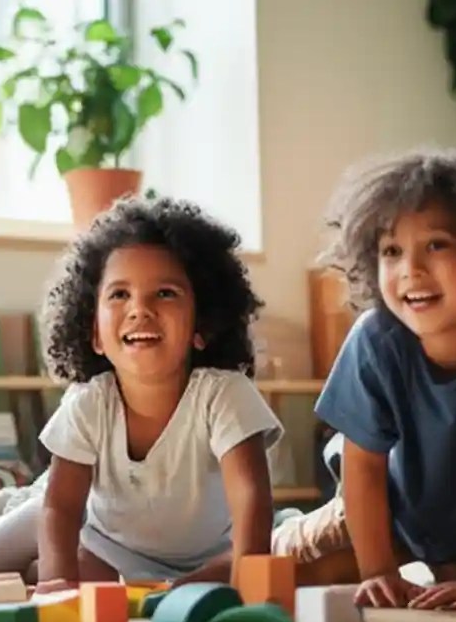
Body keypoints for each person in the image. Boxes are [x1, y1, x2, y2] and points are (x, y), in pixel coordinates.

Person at [272, 147, 456, 610]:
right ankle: (286, 531)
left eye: (436, 245)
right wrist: (377, 571)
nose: (410, 270)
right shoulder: (376, 341)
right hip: (382, 509)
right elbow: (363, 468)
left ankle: (452, 565)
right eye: (391, 252)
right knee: (292, 570)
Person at [33, 196, 283, 589]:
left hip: (210, 557)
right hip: (110, 550)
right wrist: (56, 585)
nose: (140, 309)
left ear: (203, 323)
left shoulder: (224, 395)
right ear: (94, 332)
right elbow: (61, 508)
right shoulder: (88, 403)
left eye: (165, 293)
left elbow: (252, 497)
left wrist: (248, 584)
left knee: (280, 560)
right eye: (120, 295)